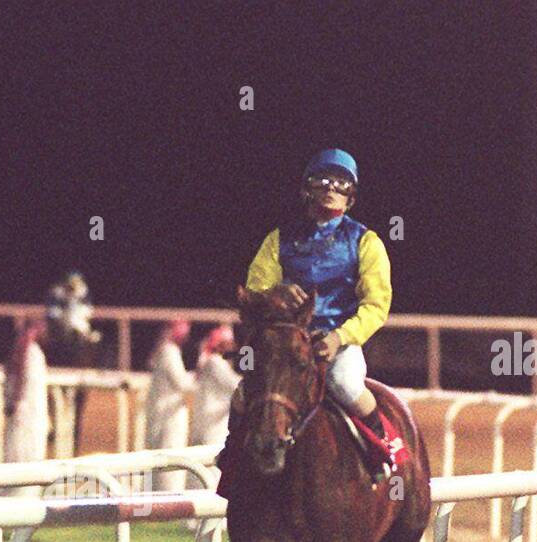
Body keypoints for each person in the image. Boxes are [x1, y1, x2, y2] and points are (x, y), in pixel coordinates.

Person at [218, 148, 409, 494]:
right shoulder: (279, 239)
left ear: (351, 194)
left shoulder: (366, 242)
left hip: (338, 343)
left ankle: (384, 453)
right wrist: (278, 291)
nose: (331, 187)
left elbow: (377, 305)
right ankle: (231, 458)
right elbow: (255, 289)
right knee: (245, 394)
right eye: (324, 179)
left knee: (345, 384)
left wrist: (339, 338)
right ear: (307, 188)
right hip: (288, 343)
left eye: (341, 182)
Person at [44, 271, 103, 451]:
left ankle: (94, 370)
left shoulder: (82, 291)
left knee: (92, 338)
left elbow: (87, 314)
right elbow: (52, 315)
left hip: (78, 332)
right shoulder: (56, 293)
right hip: (59, 333)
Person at [144, 319, 195, 492]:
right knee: (170, 460)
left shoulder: (164, 351)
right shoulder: (169, 351)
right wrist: (202, 376)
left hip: (163, 413)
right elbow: (182, 384)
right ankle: (168, 502)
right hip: (169, 416)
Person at [3, 320, 49, 493]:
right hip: (27, 414)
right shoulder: (27, 351)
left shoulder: (28, 351)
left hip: (29, 412)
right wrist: (15, 400)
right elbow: (19, 379)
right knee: (24, 454)